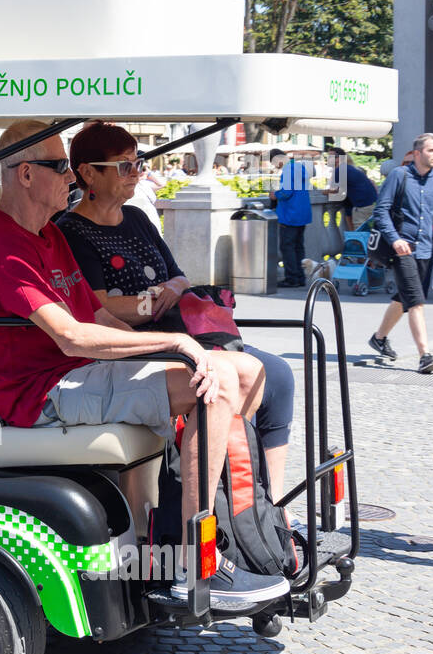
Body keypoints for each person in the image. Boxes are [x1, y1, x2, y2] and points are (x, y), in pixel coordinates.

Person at [0, 119, 283, 606]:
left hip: (76, 374)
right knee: (213, 381)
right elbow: (71, 337)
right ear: (25, 174)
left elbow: (95, 314)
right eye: (59, 168)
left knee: (247, 372)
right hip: (42, 393)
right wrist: (176, 346)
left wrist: (159, 345)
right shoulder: (2, 246)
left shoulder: (49, 234)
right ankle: (197, 563)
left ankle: (233, 520)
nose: (70, 179)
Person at [56, 121, 297, 492]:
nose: (135, 173)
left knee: (278, 374)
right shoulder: (71, 231)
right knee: (233, 378)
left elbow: (180, 277)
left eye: (139, 163)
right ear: (88, 173)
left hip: (178, 331)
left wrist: (170, 287)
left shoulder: (137, 218)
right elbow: (97, 307)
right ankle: (221, 500)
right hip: (132, 344)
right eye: (124, 166)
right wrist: (151, 303)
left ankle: (269, 501)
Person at [368, 133, 433, 374]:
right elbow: (380, 212)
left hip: (425, 248)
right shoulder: (399, 175)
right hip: (401, 250)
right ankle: (425, 355)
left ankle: (379, 338)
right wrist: (395, 240)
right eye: (431, 150)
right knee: (416, 302)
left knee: (403, 298)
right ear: (416, 153)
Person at [270, 148, 314, 287]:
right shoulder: (299, 167)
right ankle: (301, 277)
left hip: (290, 214)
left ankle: (291, 278)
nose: (275, 166)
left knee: (287, 247)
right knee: (298, 247)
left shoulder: (288, 170)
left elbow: (287, 192)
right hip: (302, 213)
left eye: (274, 163)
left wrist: (275, 195)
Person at [329, 147, 378, 230]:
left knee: (360, 234)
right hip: (372, 204)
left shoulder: (340, 170)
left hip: (362, 206)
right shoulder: (351, 169)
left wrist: (325, 192)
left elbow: (336, 190)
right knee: (372, 232)